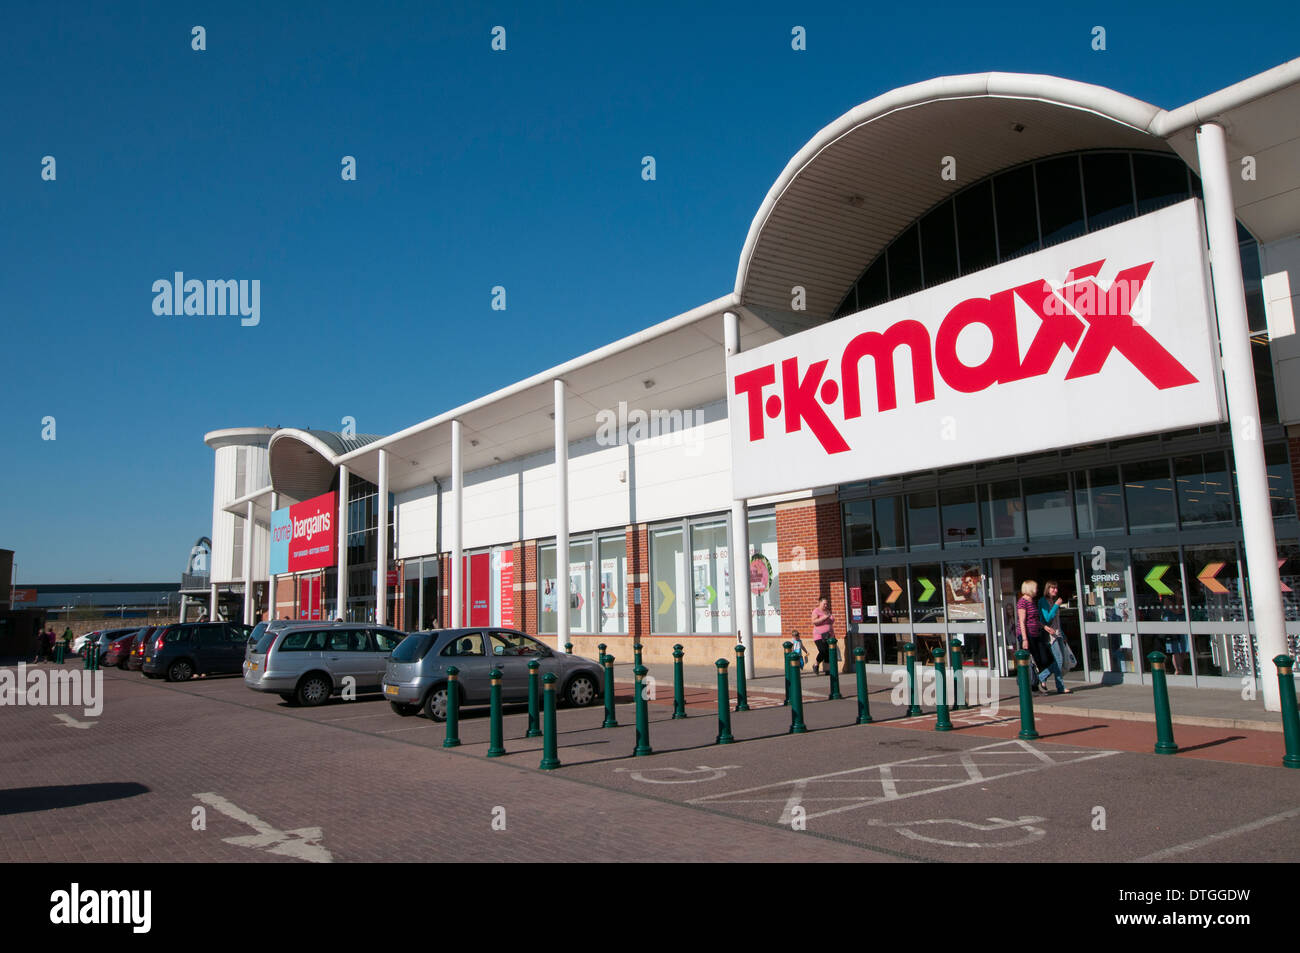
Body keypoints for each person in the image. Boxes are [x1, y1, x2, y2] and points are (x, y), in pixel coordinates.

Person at [1015, 581, 1055, 693]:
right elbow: (1022, 622)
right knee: (1030, 661)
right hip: (1027, 635)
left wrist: (1045, 627)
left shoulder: (1032, 601)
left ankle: (1036, 682)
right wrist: (1024, 639)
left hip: (1036, 633)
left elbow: (1035, 620)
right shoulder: (1022, 602)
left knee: (1044, 659)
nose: (1037, 590)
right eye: (1036, 588)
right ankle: (1032, 686)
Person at [1037, 580, 1072, 694]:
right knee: (1059, 660)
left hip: (1058, 634)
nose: (1055, 590)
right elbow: (1047, 618)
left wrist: (1063, 634)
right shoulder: (1043, 601)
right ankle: (1045, 678)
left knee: (1062, 661)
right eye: (1053, 588)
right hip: (1050, 635)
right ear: (1047, 589)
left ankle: (1051, 681)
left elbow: (1057, 621)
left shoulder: (1052, 601)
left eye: (1056, 588)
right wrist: (1056, 605)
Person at [811, 597, 833, 675]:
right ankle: (816, 664)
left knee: (828, 652)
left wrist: (832, 635)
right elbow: (814, 622)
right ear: (820, 603)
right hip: (819, 635)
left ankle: (827, 669)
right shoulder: (816, 611)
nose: (826, 605)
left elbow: (830, 623)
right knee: (823, 650)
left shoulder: (827, 611)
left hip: (828, 635)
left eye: (827, 604)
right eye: (824, 604)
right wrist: (824, 617)